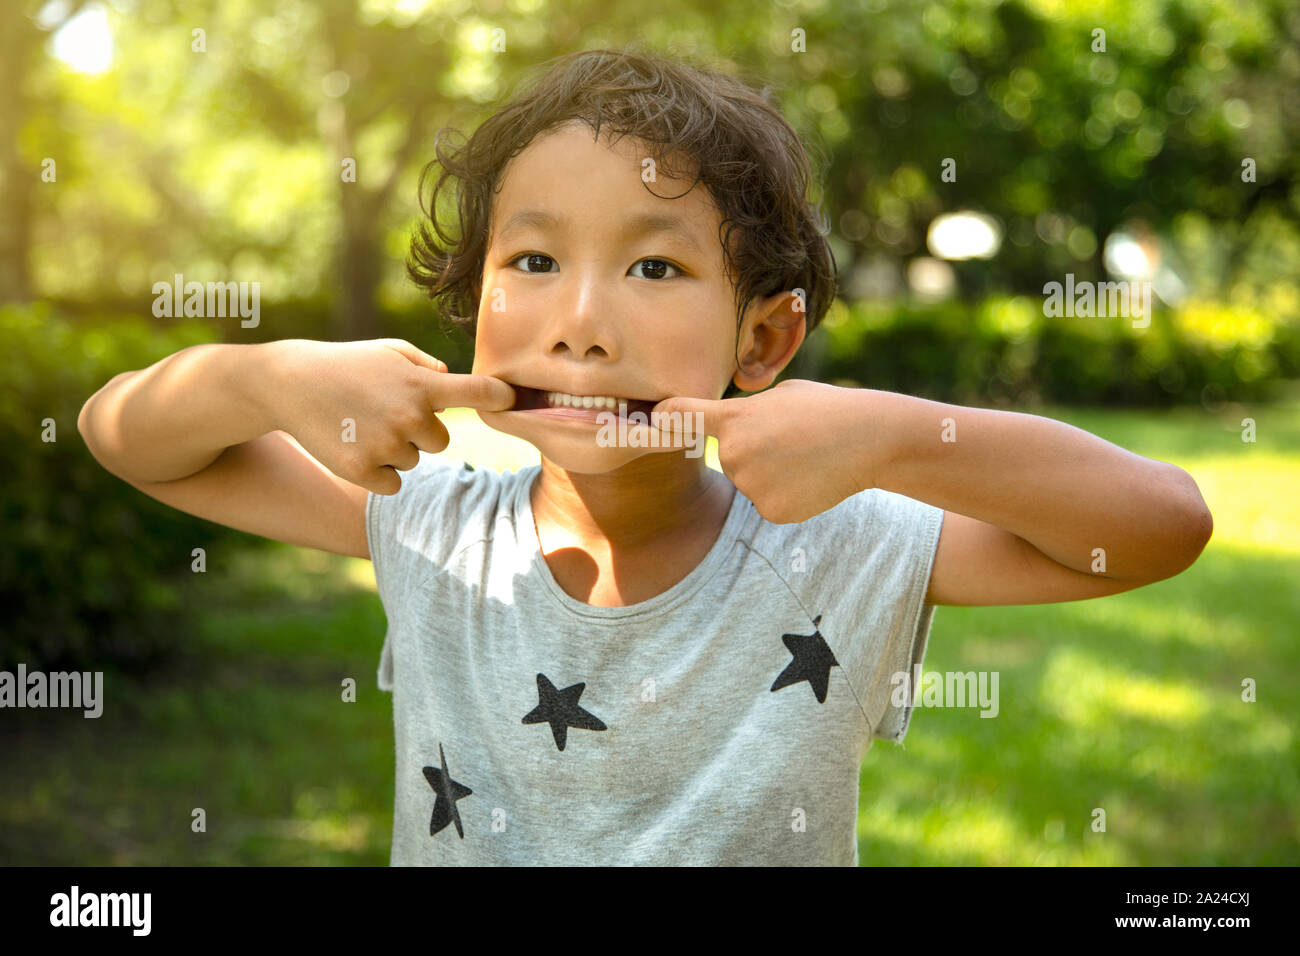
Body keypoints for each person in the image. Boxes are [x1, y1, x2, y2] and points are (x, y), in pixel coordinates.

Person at [78, 47, 1213, 865]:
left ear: (762, 339)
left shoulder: (829, 546)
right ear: (473, 303)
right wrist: (264, 375)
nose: (577, 319)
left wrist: (897, 434)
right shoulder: (429, 518)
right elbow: (128, 439)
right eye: (529, 259)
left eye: (654, 269)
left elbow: (1159, 523)